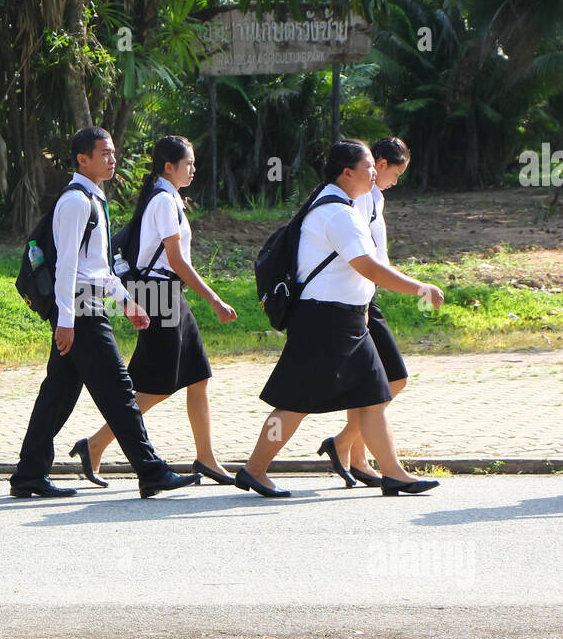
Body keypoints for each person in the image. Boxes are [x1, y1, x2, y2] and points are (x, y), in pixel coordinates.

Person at [236, 139, 445, 498]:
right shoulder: (338, 214)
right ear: (348, 173)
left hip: (345, 320)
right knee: (294, 402)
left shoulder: (341, 206)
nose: (375, 172)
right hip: (323, 322)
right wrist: (419, 288)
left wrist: (363, 310)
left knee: (374, 397)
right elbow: (367, 266)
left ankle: (393, 474)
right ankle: (254, 470)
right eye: (368, 166)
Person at [9, 126, 200, 498]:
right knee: (119, 390)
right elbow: (66, 267)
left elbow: (98, 266)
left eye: (113, 153)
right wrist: (65, 322)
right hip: (79, 309)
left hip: (87, 302)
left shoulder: (94, 200)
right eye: (104, 154)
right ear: (83, 159)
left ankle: (28, 473)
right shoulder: (76, 201)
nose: (112, 160)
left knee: (58, 393)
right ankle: (151, 470)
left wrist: (127, 302)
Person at [71, 135, 239, 486]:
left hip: (166, 293)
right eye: (188, 163)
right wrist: (215, 300)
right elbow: (177, 261)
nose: (193, 169)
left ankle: (206, 458)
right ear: (168, 167)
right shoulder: (164, 201)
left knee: (197, 377)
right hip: (157, 293)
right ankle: (96, 444)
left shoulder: (168, 198)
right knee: (159, 385)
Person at [318, 135, 410, 487]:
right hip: (358, 300)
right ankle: (347, 448)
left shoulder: (374, 198)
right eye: (392, 173)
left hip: (365, 296)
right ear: (380, 165)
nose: (391, 180)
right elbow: (357, 254)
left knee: (375, 383)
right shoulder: (358, 198)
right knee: (390, 380)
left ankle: (354, 454)